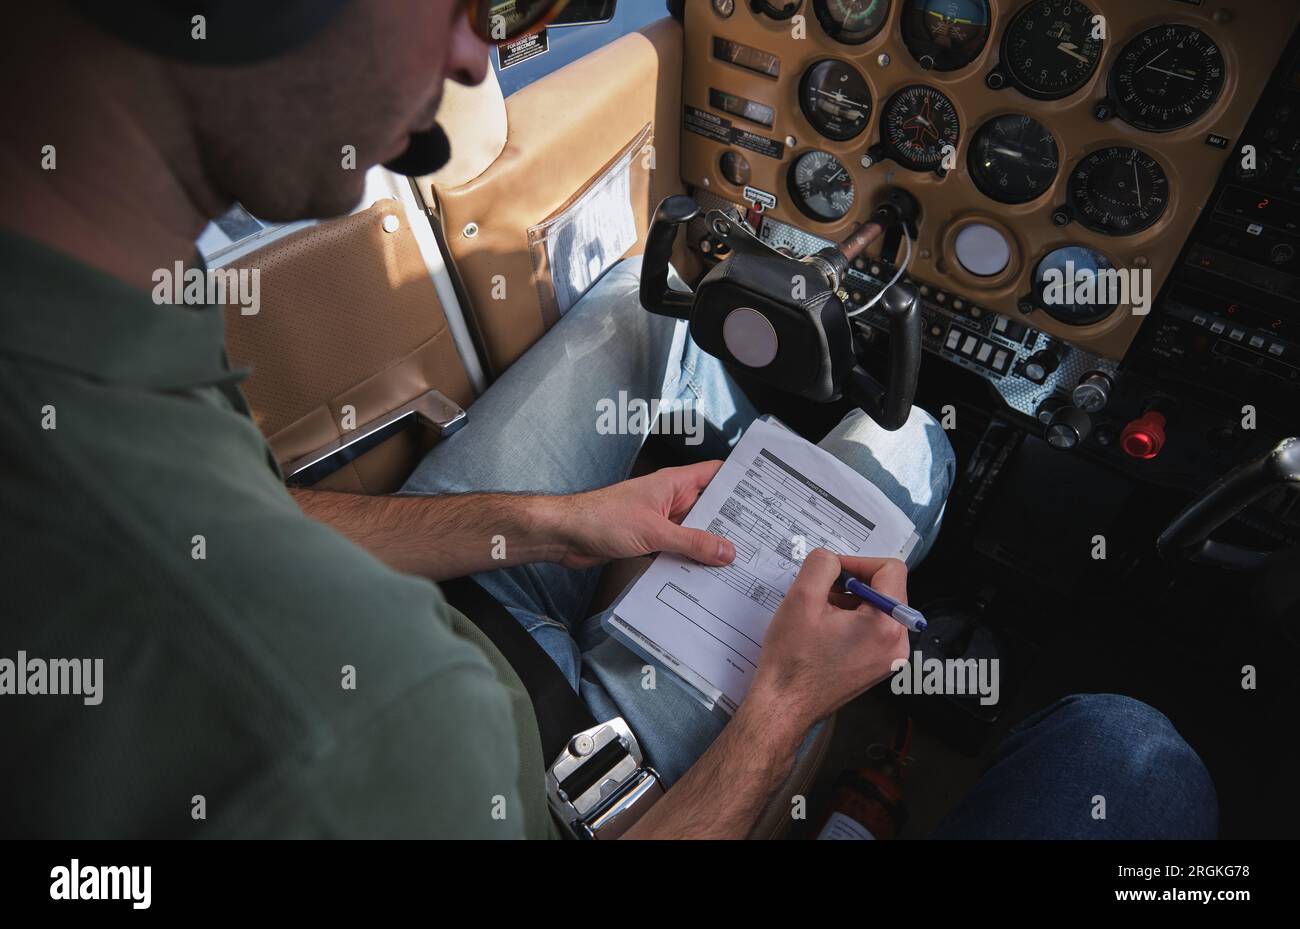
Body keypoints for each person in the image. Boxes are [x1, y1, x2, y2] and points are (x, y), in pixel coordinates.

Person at [0, 0, 1217, 839]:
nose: (479, 58)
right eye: (463, 0)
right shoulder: (367, 737)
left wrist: (548, 522)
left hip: (457, 593)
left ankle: (702, 504)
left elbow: (253, 521)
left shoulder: (96, 351)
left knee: (644, 311)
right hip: (564, 760)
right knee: (910, 453)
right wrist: (785, 706)